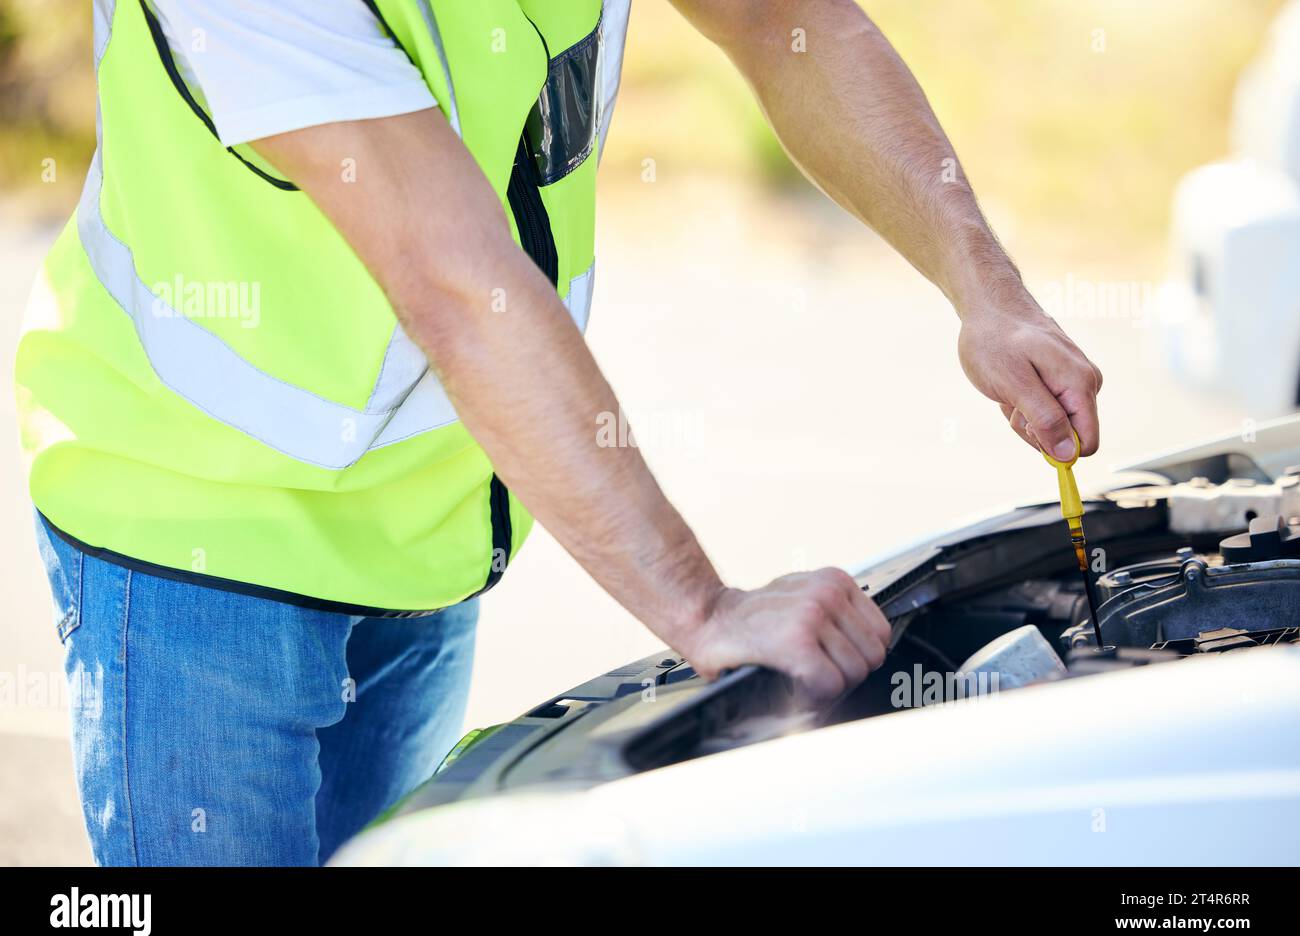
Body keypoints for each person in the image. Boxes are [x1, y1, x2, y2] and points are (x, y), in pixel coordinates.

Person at [15, 0, 1103, 865]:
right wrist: (704, 607)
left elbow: (782, 21)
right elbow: (454, 280)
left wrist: (985, 288)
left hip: (424, 532)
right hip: (193, 535)